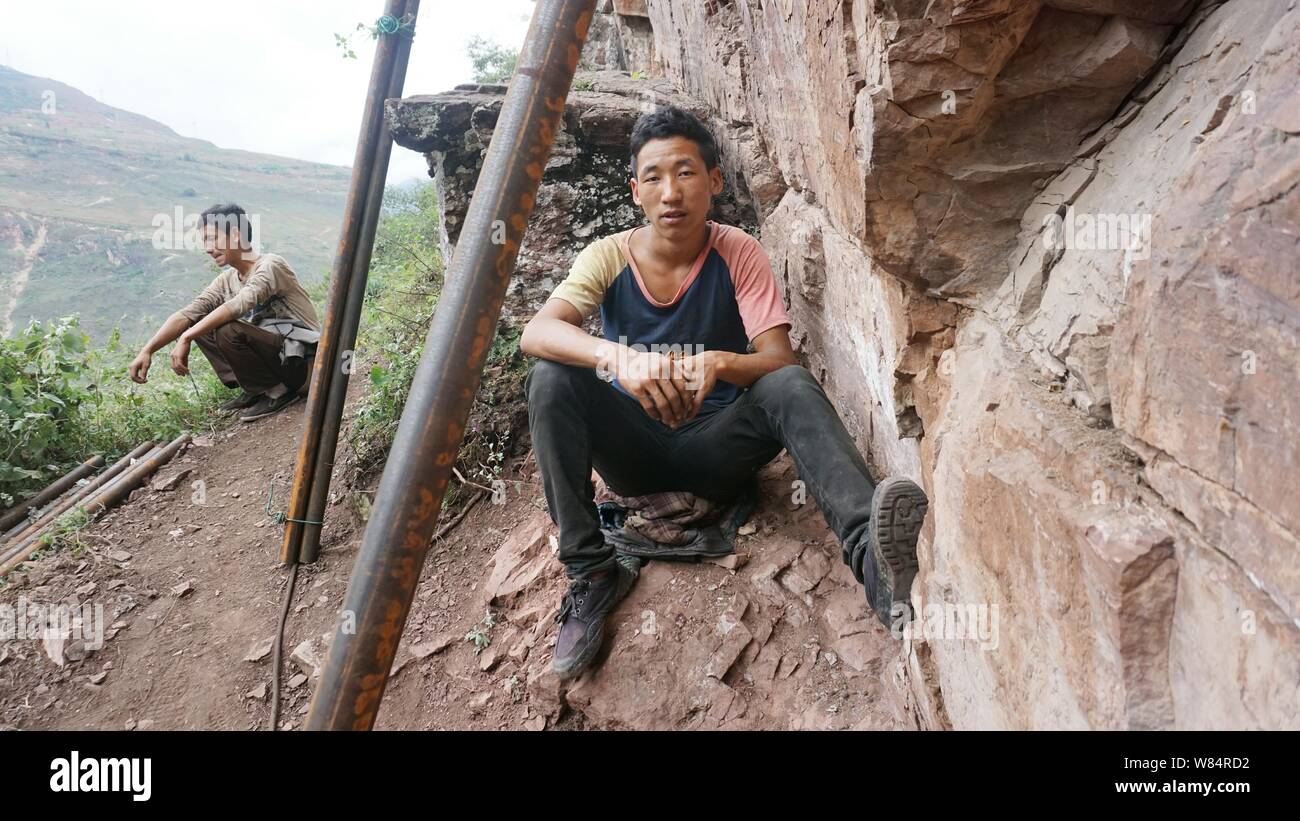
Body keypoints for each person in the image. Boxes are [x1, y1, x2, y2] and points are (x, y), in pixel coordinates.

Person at [520, 105, 929, 680]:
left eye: (686, 173)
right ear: (635, 191)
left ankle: (874, 562)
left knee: (788, 384)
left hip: (716, 452)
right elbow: (536, 331)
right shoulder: (609, 256)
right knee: (551, 375)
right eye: (655, 177)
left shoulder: (737, 251)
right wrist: (621, 359)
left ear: (714, 180)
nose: (672, 193)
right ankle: (591, 572)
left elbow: (777, 360)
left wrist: (721, 363)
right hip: (633, 455)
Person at [128, 203, 321, 422]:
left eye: (212, 238)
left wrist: (186, 337)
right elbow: (187, 313)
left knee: (228, 328)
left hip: (306, 365)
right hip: (279, 359)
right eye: (205, 241)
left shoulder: (271, 265)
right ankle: (256, 389)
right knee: (199, 321)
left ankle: (278, 391)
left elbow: (238, 305)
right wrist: (148, 350)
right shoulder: (226, 280)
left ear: (236, 234)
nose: (208, 248)